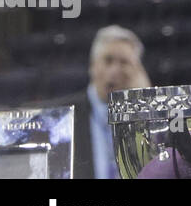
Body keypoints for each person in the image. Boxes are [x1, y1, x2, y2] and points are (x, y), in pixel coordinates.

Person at [42, 25, 150, 179]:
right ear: (92, 66)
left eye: (124, 63)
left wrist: (146, 100)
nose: (114, 71)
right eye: (108, 60)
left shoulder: (144, 119)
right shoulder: (60, 116)